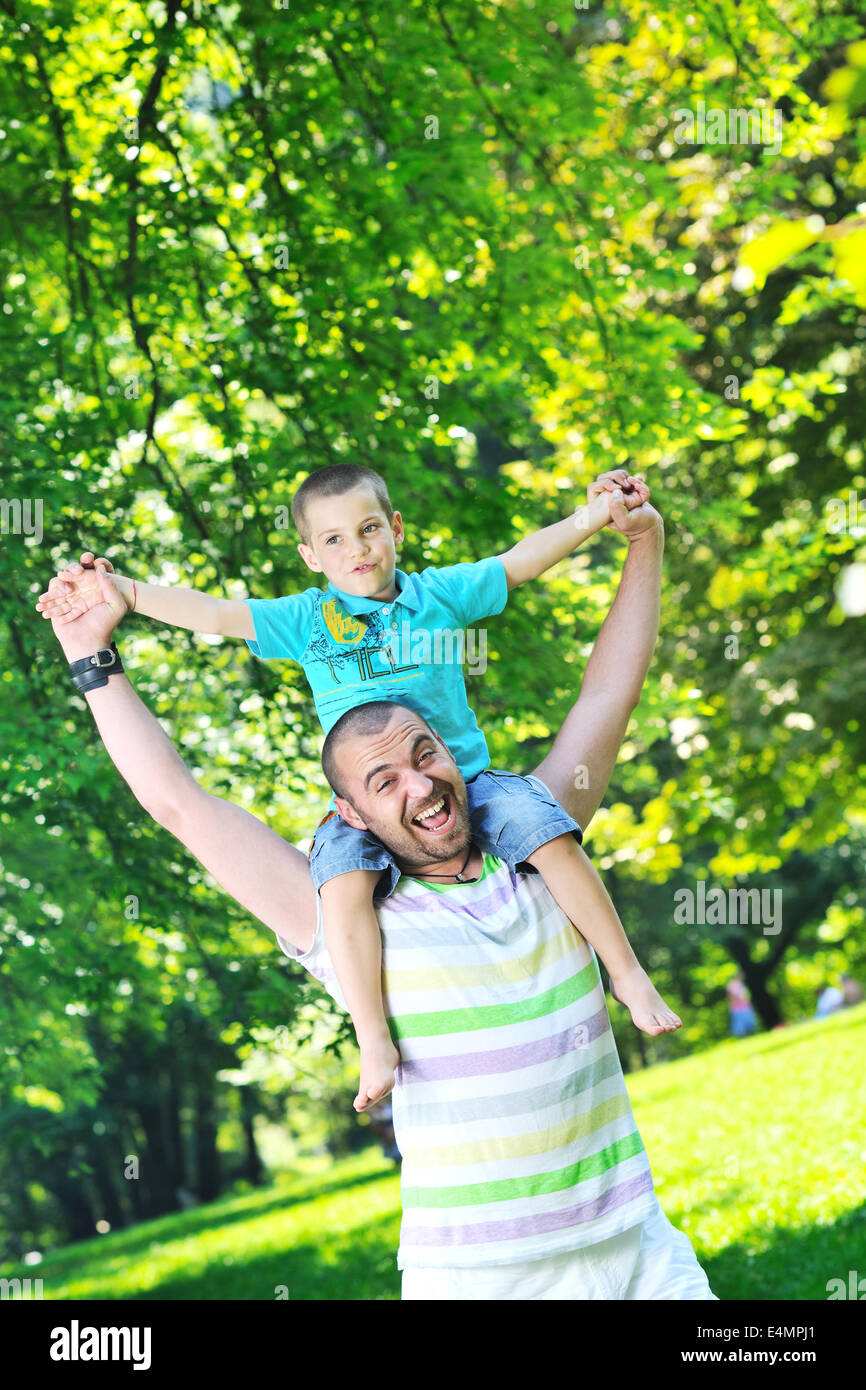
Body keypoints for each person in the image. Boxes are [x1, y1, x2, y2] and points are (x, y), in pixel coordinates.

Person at [39, 509, 718, 1299]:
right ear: (349, 815)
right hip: (476, 1279)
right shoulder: (344, 916)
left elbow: (610, 691)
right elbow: (179, 804)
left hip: (639, 1252)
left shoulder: (540, 851)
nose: (421, 785)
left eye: (426, 756)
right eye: (384, 781)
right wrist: (92, 657)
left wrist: (645, 543)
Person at [37, 465, 680, 1113]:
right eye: (336, 540)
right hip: (365, 823)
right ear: (311, 557)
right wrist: (119, 589)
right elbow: (213, 614)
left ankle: (627, 973)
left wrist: (602, 518)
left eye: (370, 530)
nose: (359, 550)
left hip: (476, 783)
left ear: (396, 530)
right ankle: (372, 1037)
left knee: (547, 830)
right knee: (340, 879)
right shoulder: (308, 620)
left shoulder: (439, 595)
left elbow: (520, 563)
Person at [726, 973, 757, 1038]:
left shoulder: (741, 984)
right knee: (740, 1025)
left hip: (745, 1006)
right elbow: (734, 996)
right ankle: (743, 1037)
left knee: (749, 1022)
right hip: (737, 1008)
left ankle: (749, 1036)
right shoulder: (732, 985)